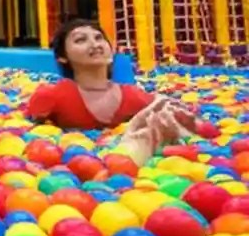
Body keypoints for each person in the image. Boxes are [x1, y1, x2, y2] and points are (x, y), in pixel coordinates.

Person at [26, 18, 201, 164]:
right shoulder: (52, 96)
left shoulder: (133, 97)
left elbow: (193, 125)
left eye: (99, 38)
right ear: (62, 57)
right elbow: (28, 133)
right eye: (81, 40)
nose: (94, 44)